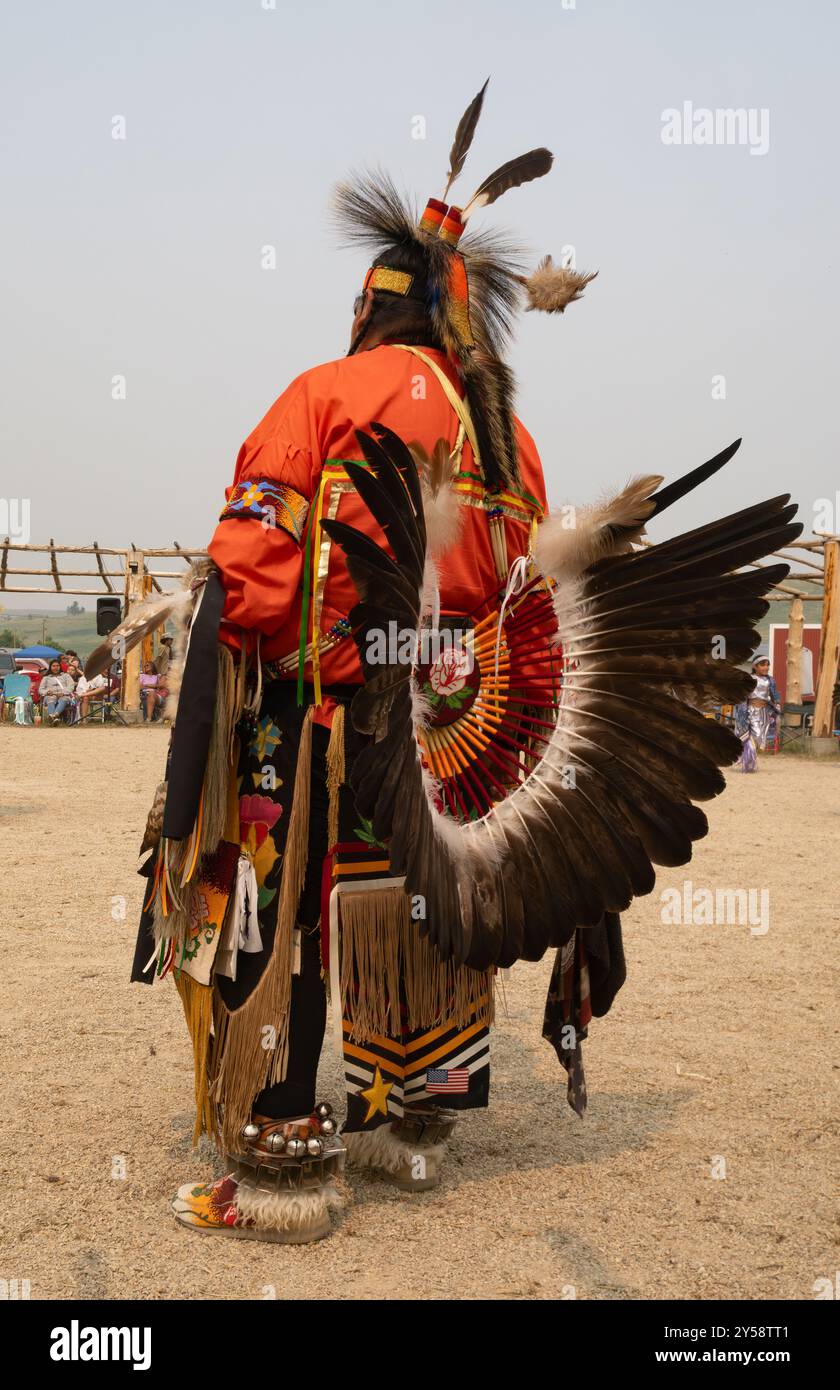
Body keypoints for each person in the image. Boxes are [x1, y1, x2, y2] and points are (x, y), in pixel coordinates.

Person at [116, 83, 800, 1245]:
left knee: (296, 922)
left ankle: (286, 1171)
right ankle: (412, 1128)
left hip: (327, 714)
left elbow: (257, 566)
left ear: (367, 308)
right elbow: (525, 575)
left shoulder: (324, 394)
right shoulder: (507, 433)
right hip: (450, 734)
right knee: (427, 908)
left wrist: (221, 653)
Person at [734, 656, 782, 770]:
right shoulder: (749, 679)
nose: (766, 667)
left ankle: (750, 761)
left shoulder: (770, 680)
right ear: (755, 666)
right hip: (749, 711)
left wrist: (778, 704)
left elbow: (774, 694)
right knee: (749, 737)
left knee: (758, 738)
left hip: (764, 712)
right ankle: (748, 763)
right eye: (762, 665)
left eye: (767, 665)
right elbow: (741, 694)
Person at [38, 658, 75, 724]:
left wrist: (63, 693)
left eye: (57, 666)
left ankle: (53, 716)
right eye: (53, 666)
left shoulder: (66, 676)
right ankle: (54, 718)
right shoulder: (46, 678)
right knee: (51, 698)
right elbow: (41, 690)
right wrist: (47, 692)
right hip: (50, 695)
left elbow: (71, 686)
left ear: (60, 667)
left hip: (63, 695)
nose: (56, 668)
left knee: (63, 699)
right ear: (50, 667)